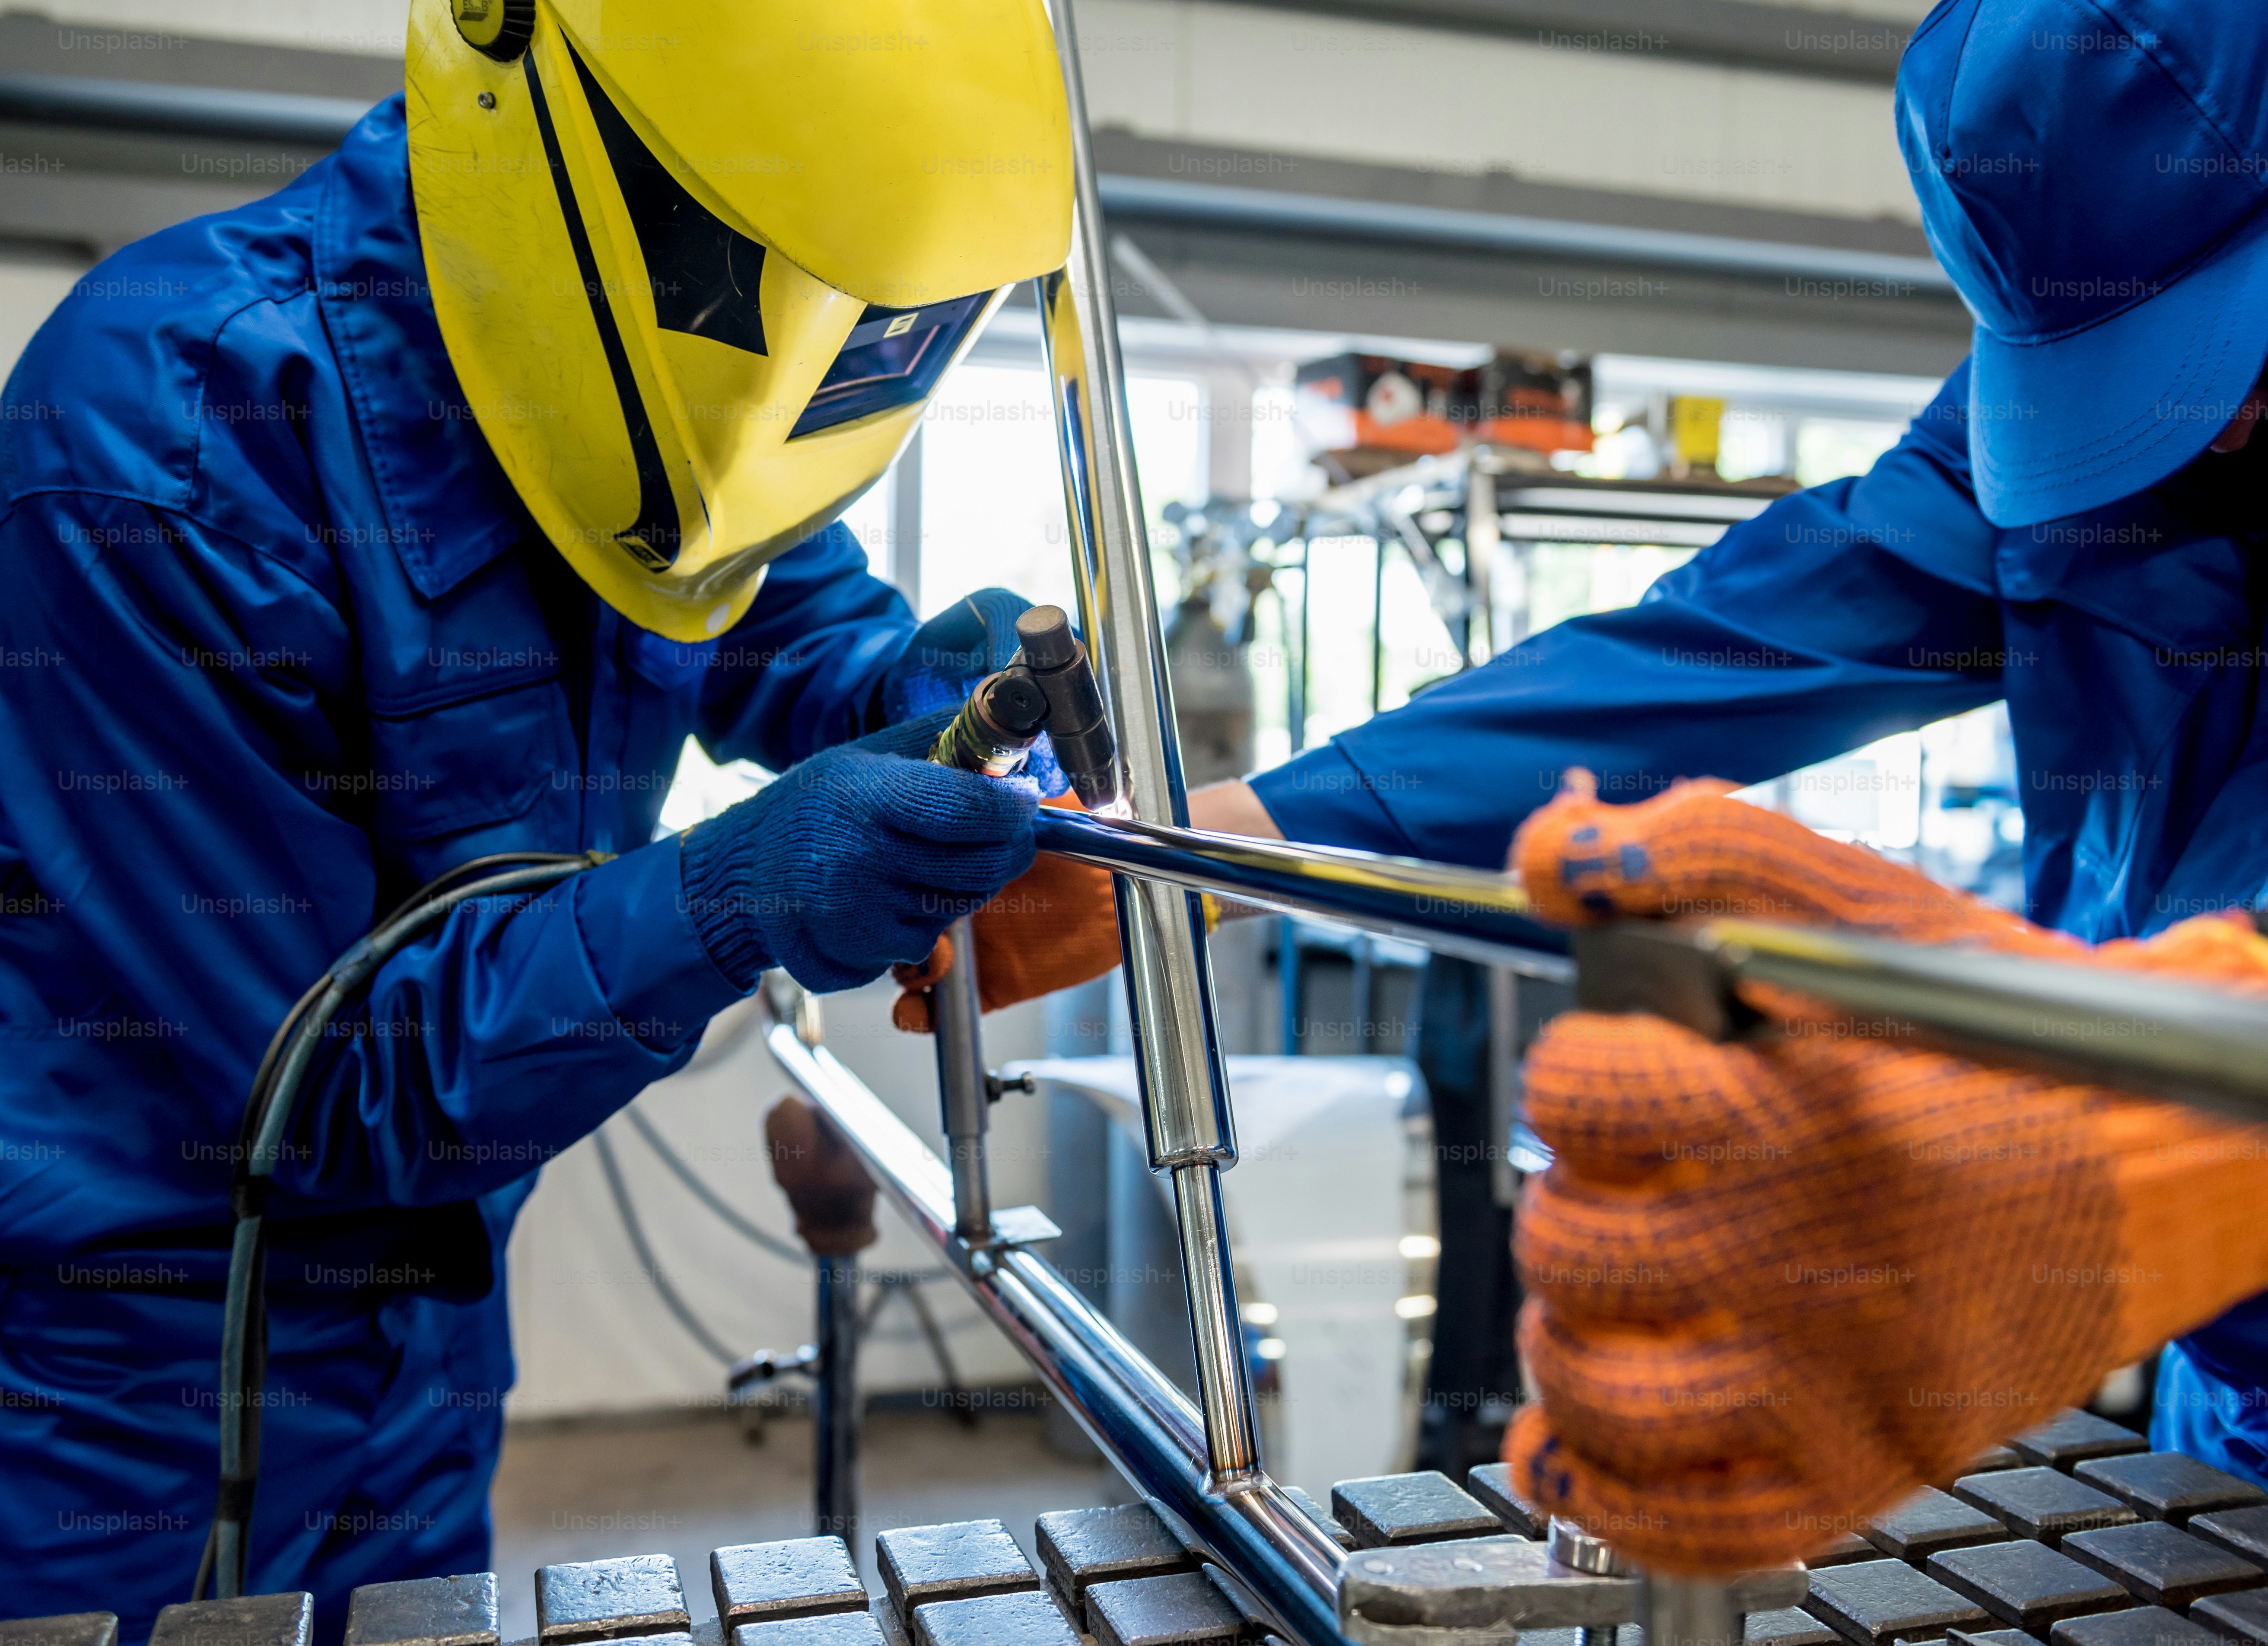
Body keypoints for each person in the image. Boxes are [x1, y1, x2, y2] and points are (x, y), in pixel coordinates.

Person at [0, 0, 1121, 1632]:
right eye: (762, 295)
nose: (801, 374)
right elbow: (306, 1101)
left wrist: (928, 697)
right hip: (132, 1389)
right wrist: (726, 899)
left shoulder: (704, 405)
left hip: (434, 1338)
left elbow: (782, 622)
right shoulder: (166, 444)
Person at [1160, 0, 2268, 1555]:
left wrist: (2188, 1108)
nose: (2205, 421)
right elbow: (1760, 630)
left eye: (2227, 340)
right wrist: (1262, 827)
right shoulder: (2097, 362)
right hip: (2225, 1379)